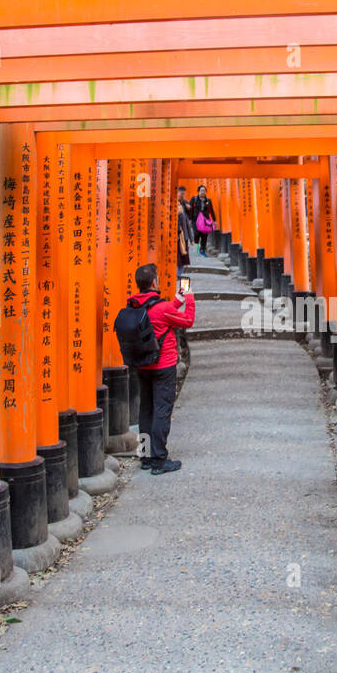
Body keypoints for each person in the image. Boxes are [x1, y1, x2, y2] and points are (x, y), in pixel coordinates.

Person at [128, 263, 195, 475]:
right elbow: (187, 320)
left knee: (145, 410)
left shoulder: (134, 306)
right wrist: (189, 298)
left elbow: (160, 313)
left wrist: (176, 301)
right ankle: (159, 459)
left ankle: (146, 456)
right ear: (155, 282)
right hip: (163, 366)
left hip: (142, 364)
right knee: (162, 410)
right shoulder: (163, 309)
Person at [189, 184, 216, 256]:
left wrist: (214, 220)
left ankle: (202, 250)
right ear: (198, 191)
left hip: (205, 221)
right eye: (201, 190)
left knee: (204, 236)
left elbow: (211, 210)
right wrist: (189, 219)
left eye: (204, 191)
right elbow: (190, 209)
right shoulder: (194, 199)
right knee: (196, 234)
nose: (203, 192)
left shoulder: (208, 200)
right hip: (195, 220)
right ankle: (197, 249)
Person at [176, 194, 194, 271]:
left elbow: (187, 227)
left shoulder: (184, 215)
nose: (179, 207)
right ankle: (177, 273)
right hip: (178, 238)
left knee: (182, 257)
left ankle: (179, 273)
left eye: (179, 205)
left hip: (183, 238)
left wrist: (191, 239)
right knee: (178, 257)